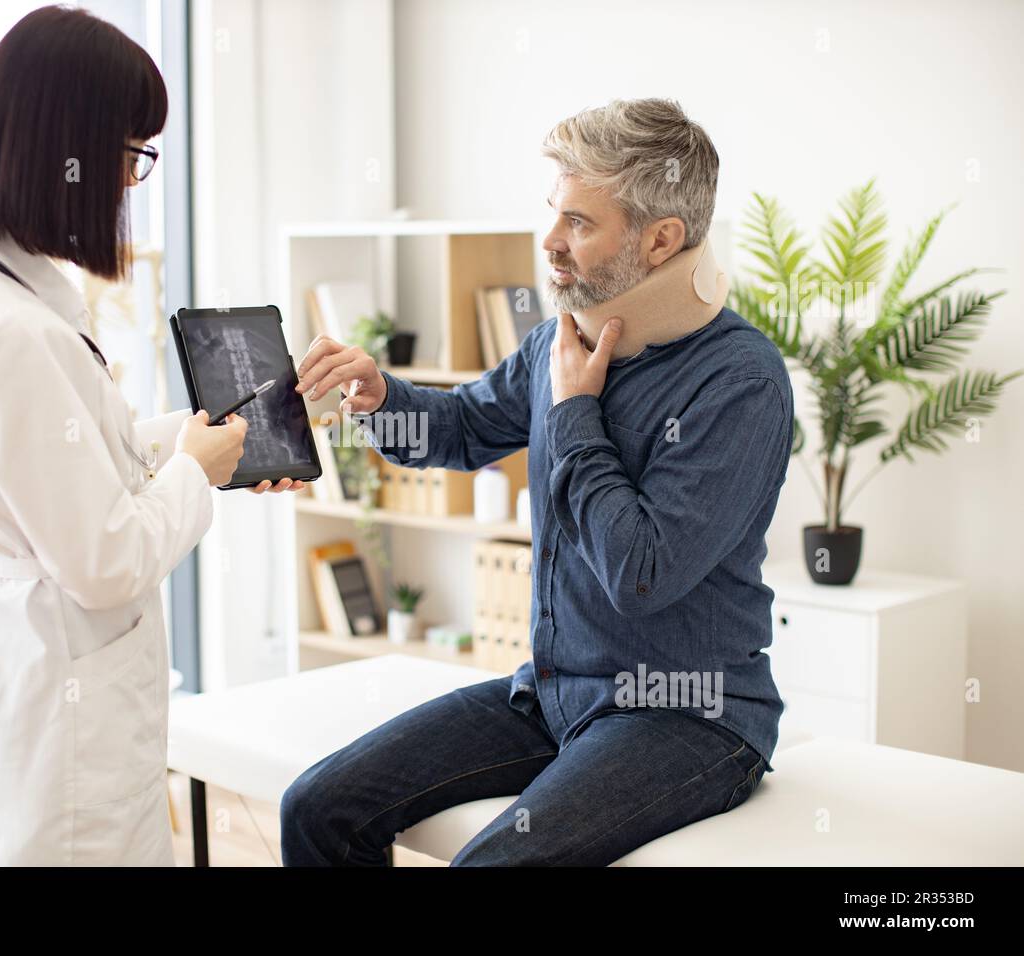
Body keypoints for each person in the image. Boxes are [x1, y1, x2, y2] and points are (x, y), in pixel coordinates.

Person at [282, 98, 792, 866]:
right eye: (554, 214)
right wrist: (380, 395)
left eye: (580, 224)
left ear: (662, 240)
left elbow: (641, 574)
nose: (550, 242)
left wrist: (577, 410)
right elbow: (458, 431)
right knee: (318, 808)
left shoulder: (741, 382)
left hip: (689, 716)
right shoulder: (564, 338)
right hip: (555, 694)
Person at [0, 5, 298, 866]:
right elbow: (103, 559)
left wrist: (204, 443)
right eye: (129, 154)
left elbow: (77, 460)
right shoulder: (12, 330)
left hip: (30, 669)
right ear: (67, 148)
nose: (129, 180)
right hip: (59, 700)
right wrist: (194, 471)